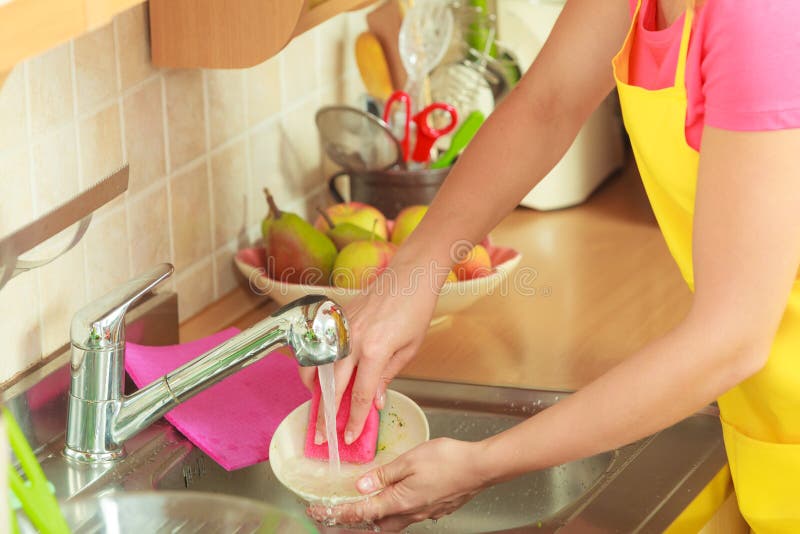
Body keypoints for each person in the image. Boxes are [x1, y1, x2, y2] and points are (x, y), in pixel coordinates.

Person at [300, 0, 800, 531]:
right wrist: (408, 279)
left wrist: (481, 464)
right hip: (767, 424)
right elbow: (548, 104)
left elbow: (731, 338)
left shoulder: (759, 14)